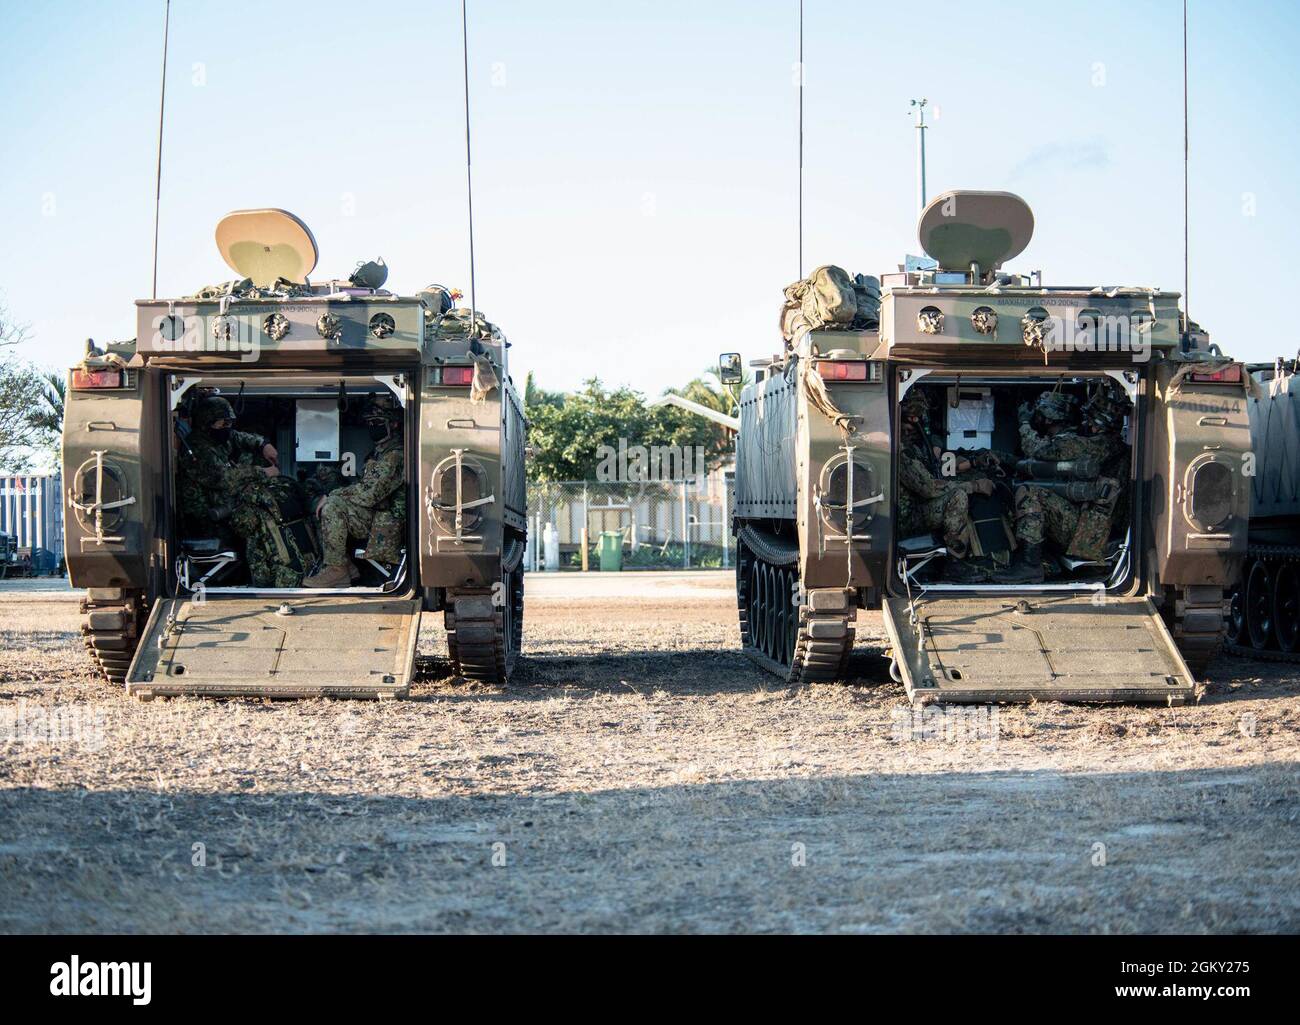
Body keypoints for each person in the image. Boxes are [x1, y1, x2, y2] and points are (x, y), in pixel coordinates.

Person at [995, 389, 1124, 583]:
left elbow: (1041, 450)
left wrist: (1023, 423)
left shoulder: (1098, 445)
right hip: (1091, 527)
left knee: (1031, 494)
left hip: (1089, 535)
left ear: (1100, 425)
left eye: (1090, 421)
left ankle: (1030, 566)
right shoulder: (1110, 446)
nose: (1085, 424)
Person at [302, 396, 406, 588]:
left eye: (377, 423)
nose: (372, 427)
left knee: (332, 507)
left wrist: (333, 495)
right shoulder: (380, 453)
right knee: (320, 505)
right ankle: (345, 565)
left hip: (386, 521)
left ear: (395, 425)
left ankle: (336, 570)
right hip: (375, 516)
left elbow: (369, 494)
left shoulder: (395, 456)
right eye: (370, 423)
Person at [897, 388, 996, 584]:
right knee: (957, 496)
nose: (914, 425)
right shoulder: (901, 450)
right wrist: (973, 486)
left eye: (918, 418)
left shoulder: (914, 445)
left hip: (913, 509)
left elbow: (934, 472)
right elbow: (929, 488)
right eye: (910, 419)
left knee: (959, 490)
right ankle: (954, 566)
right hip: (905, 517)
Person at [176, 394, 279, 542]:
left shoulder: (216, 437)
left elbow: (237, 437)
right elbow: (225, 478)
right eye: (222, 423)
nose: (227, 427)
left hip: (220, 511)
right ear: (206, 423)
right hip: (205, 522)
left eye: (229, 423)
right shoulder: (198, 449)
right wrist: (263, 472)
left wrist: (263, 444)